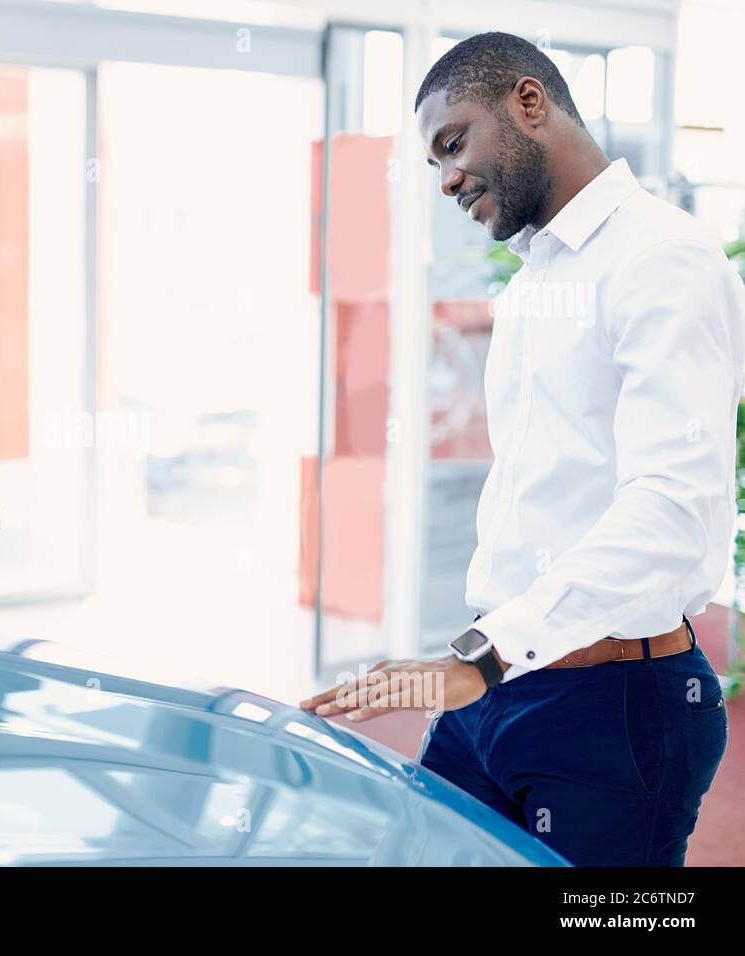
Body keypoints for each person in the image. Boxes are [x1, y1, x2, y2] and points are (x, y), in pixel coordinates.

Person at [302, 31, 742, 866]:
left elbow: (672, 509)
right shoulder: (536, 279)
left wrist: (484, 654)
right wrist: (487, 656)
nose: (446, 180)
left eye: (452, 143)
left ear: (529, 103)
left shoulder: (663, 260)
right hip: (499, 684)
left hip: (611, 705)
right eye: (434, 164)